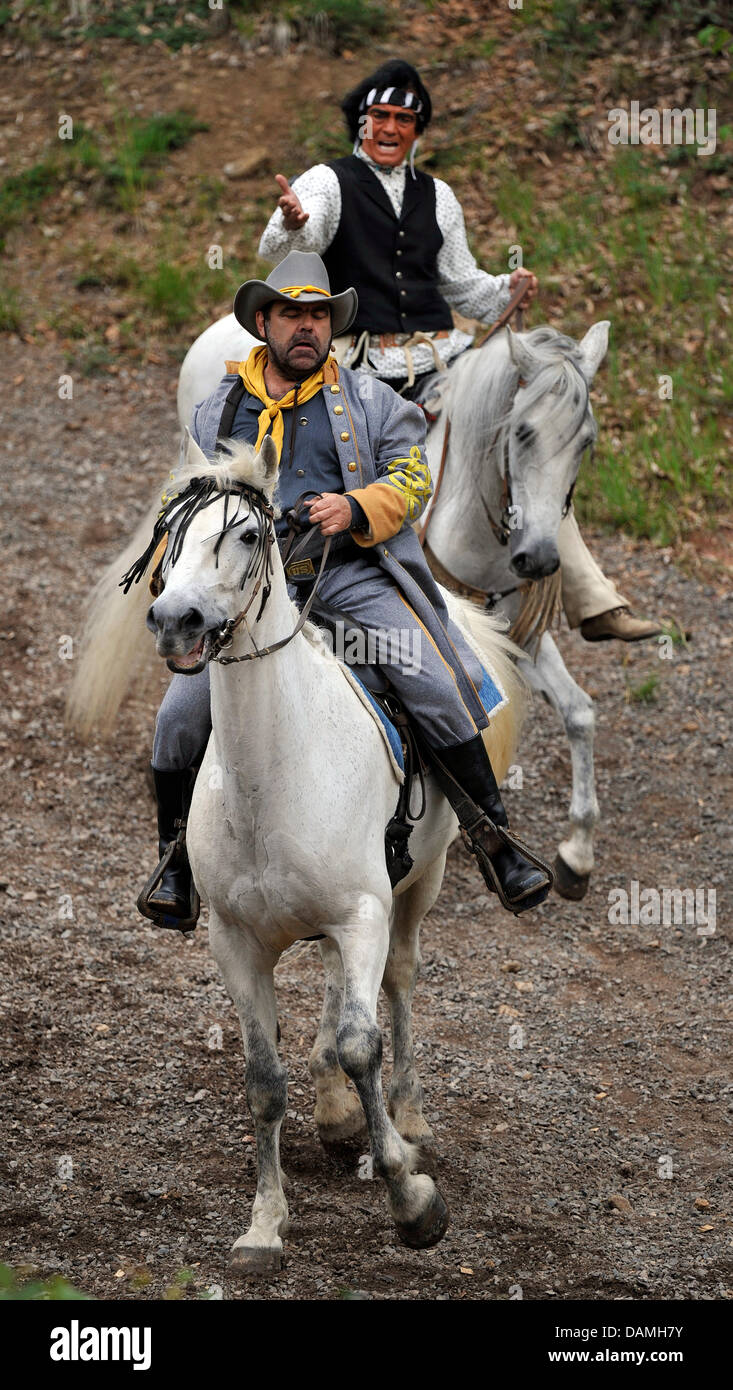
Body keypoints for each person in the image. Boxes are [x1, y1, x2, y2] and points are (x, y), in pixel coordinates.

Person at [141, 250, 552, 931]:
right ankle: (175, 862)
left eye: (317, 316)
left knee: (431, 678)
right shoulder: (220, 406)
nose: (306, 327)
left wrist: (357, 507)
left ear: (330, 326)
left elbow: (413, 476)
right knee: (177, 718)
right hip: (246, 595)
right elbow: (186, 491)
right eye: (291, 315)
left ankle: (493, 838)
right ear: (263, 322)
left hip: (351, 574)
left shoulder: (372, 400)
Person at [258, 60, 661, 645]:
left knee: (531, 441)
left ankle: (590, 598)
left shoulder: (438, 196)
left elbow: (459, 282)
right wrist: (296, 222)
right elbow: (287, 242)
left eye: (404, 119)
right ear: (361, 123)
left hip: (439, 362)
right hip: (355, 366)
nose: (391, 129)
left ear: (417, 130)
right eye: (380, 118)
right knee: (327, 470)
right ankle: (305, 594)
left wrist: (505, 287)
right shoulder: (327, 181)